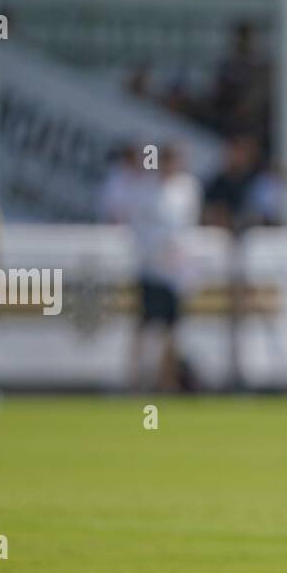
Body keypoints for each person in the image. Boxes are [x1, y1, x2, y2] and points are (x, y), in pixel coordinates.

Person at [129, 143, 200, 391]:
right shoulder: (145, 189)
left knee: (172, 328)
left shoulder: (187, 188)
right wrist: (154, 253)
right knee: (145, 325)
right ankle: (136, 381)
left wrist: (182, 260)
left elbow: (187, 228)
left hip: (176, 271)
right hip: (151, 267)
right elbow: (140, 228)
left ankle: (166, 382)